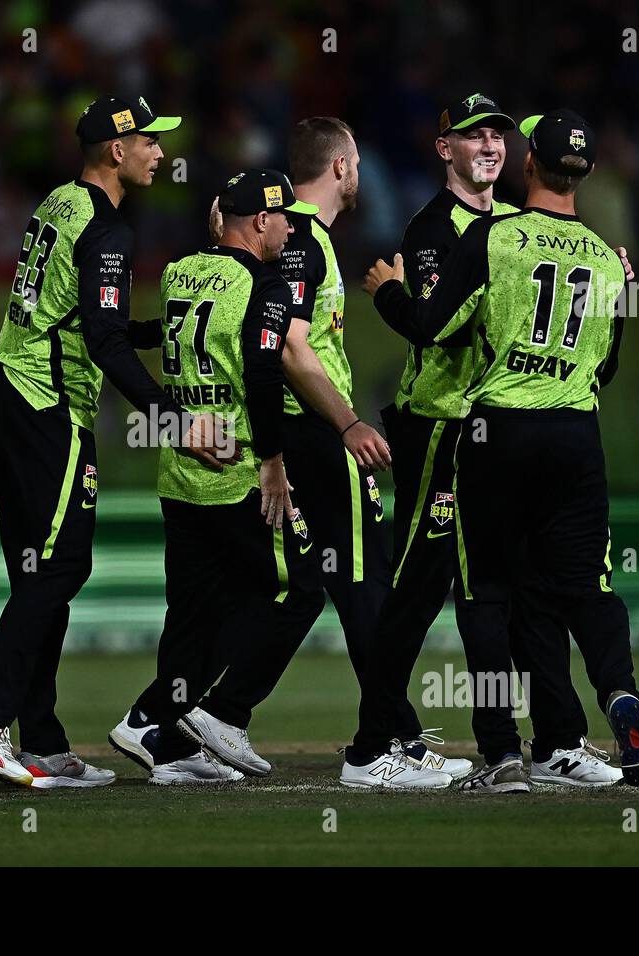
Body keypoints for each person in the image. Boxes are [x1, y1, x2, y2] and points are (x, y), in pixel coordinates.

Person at [364, 109, 639, 791]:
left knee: (484, 592)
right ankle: (608, 700)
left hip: (499, 433)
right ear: (584, 174)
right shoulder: (608, 260)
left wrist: (386, 293)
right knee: (583, 585)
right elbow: (606, 370)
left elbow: (430, 327)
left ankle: (502, 751)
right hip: (577, 439)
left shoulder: (495, 238)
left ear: (528, 165)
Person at [0, 95, 229, 789]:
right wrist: (174, 417)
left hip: (8, 387)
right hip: (50, 404)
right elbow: (99, 341)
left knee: (38, 573)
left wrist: (157, 329)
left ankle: (40, 738)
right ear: (114, 150)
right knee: (60, 570)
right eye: (149, 141)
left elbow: (80, 315)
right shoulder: (108, 228)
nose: (161, 152)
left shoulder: (59, 202)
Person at [173, 118, 399, 779]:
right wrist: (349, 423)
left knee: (300, 587)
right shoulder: (305, 240)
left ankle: (197, 718)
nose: (358, 173)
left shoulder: (286, 233)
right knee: (358, 584)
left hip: (280, 438)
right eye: (355, 161)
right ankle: (385, 743)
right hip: (313, 432)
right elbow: (294, 347)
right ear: (340, 168)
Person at [109, 169, 326, 784]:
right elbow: (262, 373)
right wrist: (274, 464)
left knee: (194, 611)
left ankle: (159, 729)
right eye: (285, 217)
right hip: (233, 469)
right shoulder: (269, 283)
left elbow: (155, 333)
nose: (291, 228)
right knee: (301, 584)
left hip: (179, 472)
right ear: (260, 222)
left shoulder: (181, 271)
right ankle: (208, 714)